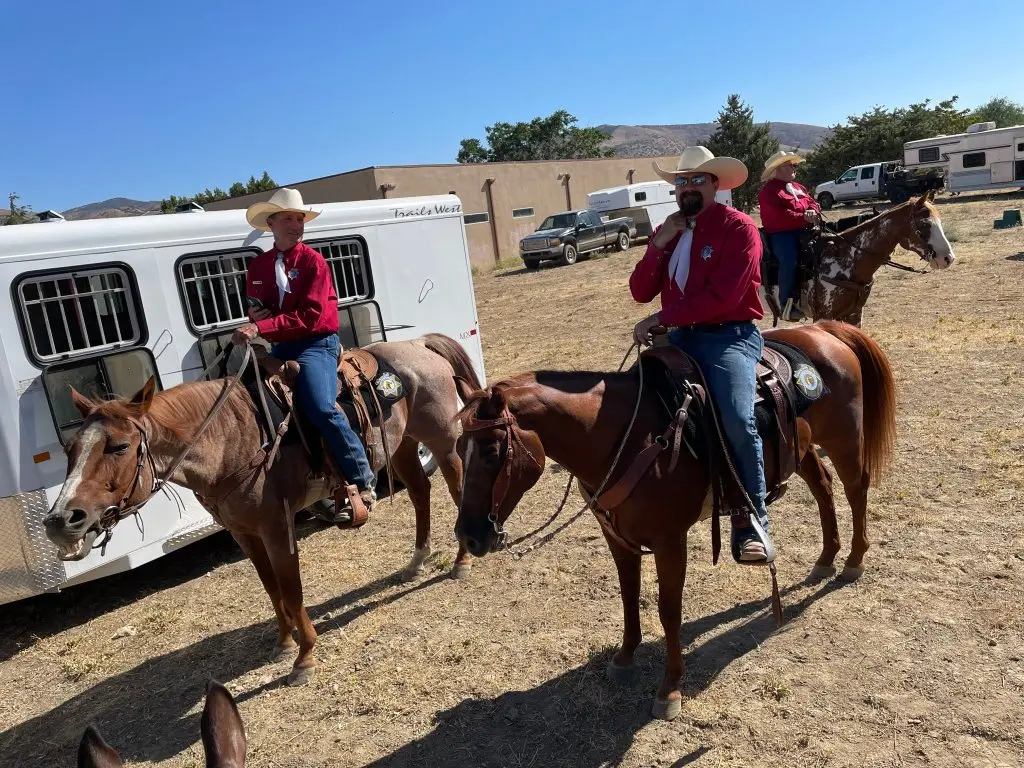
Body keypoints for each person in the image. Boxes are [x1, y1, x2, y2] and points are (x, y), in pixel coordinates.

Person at [629, 147, 774, 564]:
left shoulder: (739, 228)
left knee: (734, 415)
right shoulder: (670, 230)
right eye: (680, 181)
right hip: (677, 338)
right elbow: (640, 290)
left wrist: (663, 316)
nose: (687, 188)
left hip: (728, 337)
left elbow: (724, 297)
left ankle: (751, 520)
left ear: (715, 184)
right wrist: (658, 243)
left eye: (696, 180)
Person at [233, 188, 376, 525]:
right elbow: (257, 308)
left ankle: (362, 476)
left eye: (300, 219)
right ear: (271, 223)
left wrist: (262, 325)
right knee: (245, 400)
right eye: (288, 219)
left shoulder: (313, 262)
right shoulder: (258, 266)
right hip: (281, 347)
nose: (296, 225)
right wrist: (256, 321)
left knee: (321, 406)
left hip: (316, 343)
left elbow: (312, 317)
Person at [757, 150, 821, 321]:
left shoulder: (799, 187)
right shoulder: (769, 191)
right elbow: (778, 217)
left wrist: (813, 211)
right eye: (790, 165)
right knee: (789, 259)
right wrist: (804, 218)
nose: (794, 168)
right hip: (781, 234)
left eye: (794, 165)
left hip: (804, 230)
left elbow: (813, 202)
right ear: (777, 169)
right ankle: (786, 304)